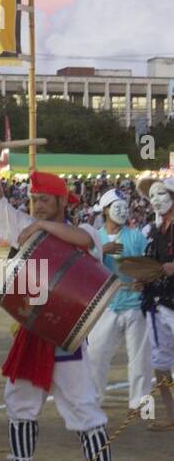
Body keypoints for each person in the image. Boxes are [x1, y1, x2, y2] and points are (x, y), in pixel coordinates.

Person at [0, 143, 115, 461]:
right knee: (19, 403)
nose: (37, 205)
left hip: (66, 339)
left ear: (61, 203)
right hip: (29, 334)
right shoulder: (24, 226)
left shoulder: (83, 228)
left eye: (44, 200)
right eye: (33, 199)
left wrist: (40, 226)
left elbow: (87, 242)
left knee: (85, 412)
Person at [88, 189, 152, 413]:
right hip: (106, 305)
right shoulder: (95, 237)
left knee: (139, 356)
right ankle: (94, 397)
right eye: (117, 206)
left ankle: (140, 400)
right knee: (96, 353)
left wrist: (143, 279)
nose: (122, 210)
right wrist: (101, 250)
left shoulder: (136, 236)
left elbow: (149, 265)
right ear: (105, 210)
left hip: (134, 304)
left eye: (125, 206)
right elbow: (84, 265)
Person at [138, 176, 174, 429]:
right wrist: (142, 281)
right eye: (152, 196)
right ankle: (172, 415)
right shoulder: (154, 230)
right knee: (160, 363)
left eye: (162, 194)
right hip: (158, 303)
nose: (155, 200)